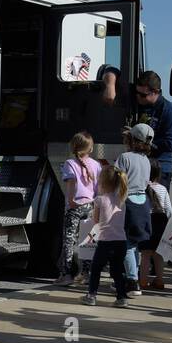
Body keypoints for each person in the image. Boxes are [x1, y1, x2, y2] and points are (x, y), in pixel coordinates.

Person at [58, 131, 101, 286]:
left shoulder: (70, 163)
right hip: (90, 206)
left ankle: (66, 274)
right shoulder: (96, 165)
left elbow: (70, 185)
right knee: (87, 241)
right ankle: (85, 274)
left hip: (74, 206)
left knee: (69, 240)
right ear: (90, 148)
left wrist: (70, 201)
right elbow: (98, 189)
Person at [83, 165, 129, 307]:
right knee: (117, 270)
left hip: (105, 241)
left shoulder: (100, 200)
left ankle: (91, 296)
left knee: (96, 268)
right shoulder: (122, 200)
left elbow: (96, 221)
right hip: (121, 241)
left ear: (102, 183)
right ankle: (121, 297)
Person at [116, 123, 153, 294]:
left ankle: (132, 280)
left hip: (128, 202)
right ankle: (131, 275)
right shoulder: (146, 160)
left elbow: (117, 179)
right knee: (135, 244)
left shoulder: (124, 157)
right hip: (143, 203)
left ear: (130, 139)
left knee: (127, 244)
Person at [134, 71, 172, 190]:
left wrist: (147, 144)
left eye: (142, 95)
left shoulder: (169, 111)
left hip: (159, 169)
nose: (138, 97)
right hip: (139, 166)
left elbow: (170, 143)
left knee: (156, 207)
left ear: (155, 92)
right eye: (136, 93)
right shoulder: (138, 105)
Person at [139, 159, 172, 291]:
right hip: (160, 223)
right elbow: (169, 210)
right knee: (159, 255)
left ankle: (143, 281)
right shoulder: (163, 189)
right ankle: (159, 281)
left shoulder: (141, 188)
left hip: (146, 222)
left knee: (145, 254)